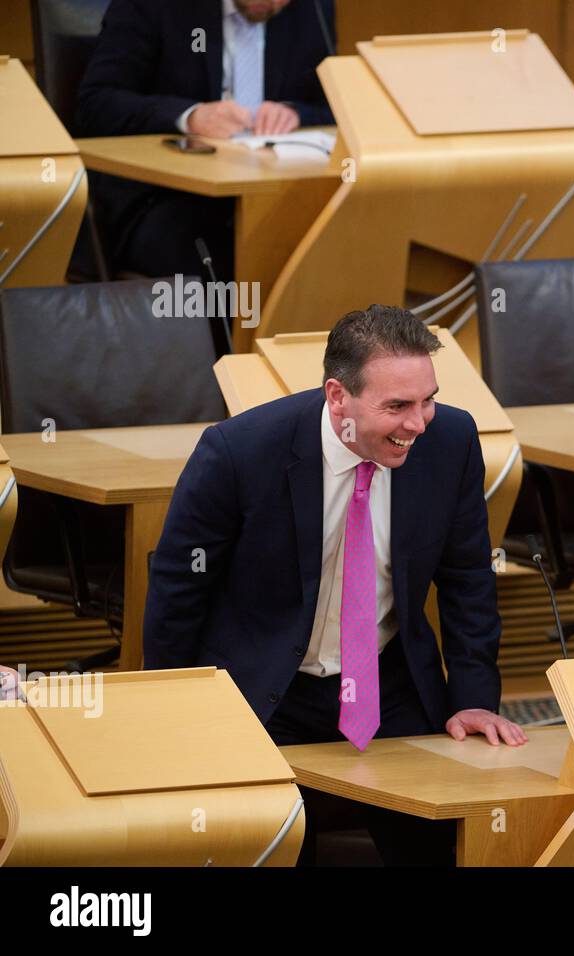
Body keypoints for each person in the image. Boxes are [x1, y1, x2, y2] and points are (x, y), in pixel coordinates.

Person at [144, 304, 525, 864]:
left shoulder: (451, 441)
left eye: (428, 400)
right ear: (337, 397)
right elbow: (179, 587)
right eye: (397, 406)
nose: (418, 423)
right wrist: (177, 717)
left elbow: (467, 578)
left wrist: (472, 698)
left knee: (444, 844)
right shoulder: (240, 451)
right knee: (279, 846)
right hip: (264, 686)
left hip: (389, 682)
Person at [75, 0, 335, 280]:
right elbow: (95, 103)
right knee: (225, 260)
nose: (269, 3)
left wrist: (296, 113)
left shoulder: (313, 7)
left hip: (276, 195)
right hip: (168, 198)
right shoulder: (154, 6)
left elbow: (341, 103)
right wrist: (189, 117)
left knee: (328, 248)